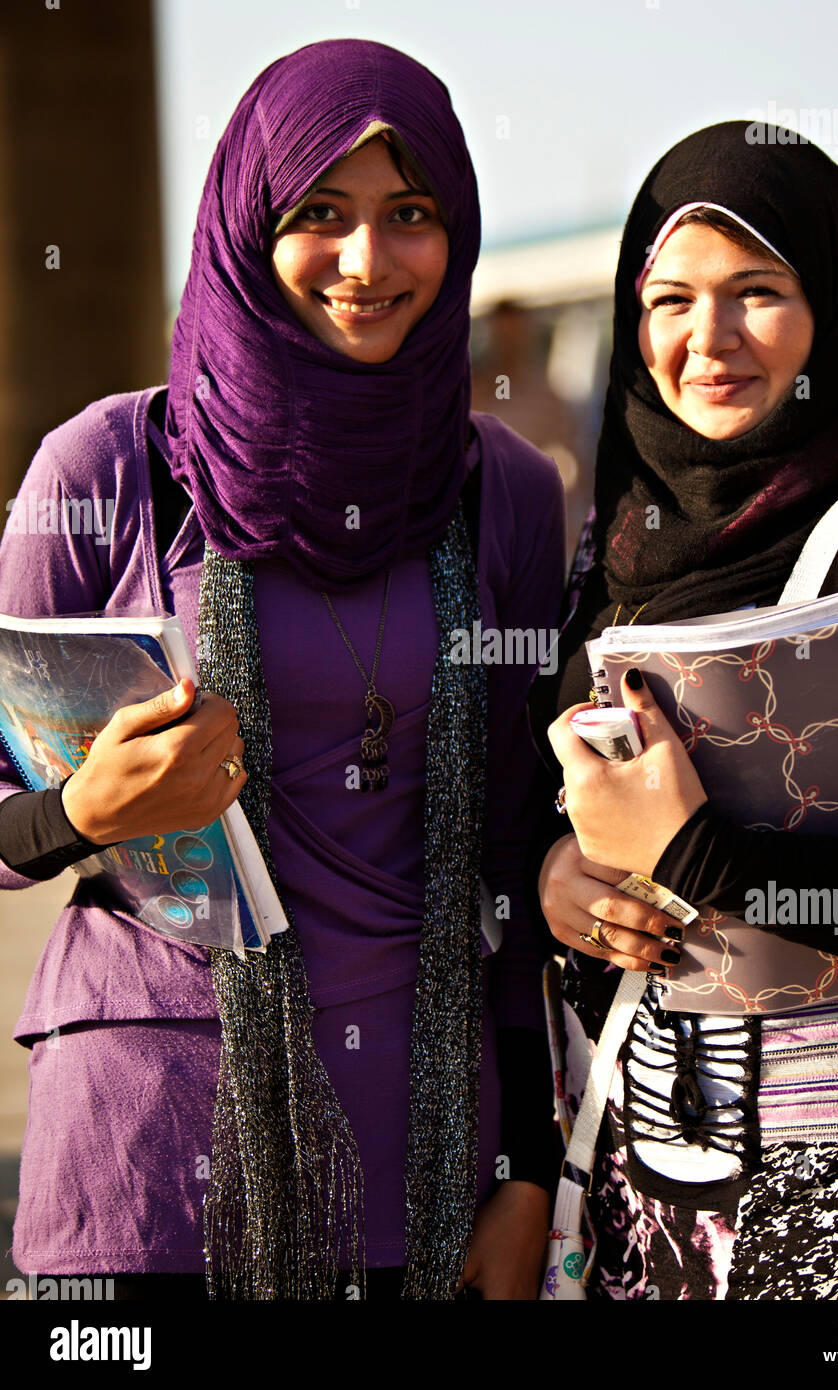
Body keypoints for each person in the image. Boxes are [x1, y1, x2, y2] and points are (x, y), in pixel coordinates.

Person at [0, 39, 565, 1300]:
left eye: (409, 215)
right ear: (249, 226)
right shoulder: (108, 472)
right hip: (149, 1166)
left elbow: (518, 858)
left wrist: (531, 1167)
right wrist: (81, 812)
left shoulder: (510, 496)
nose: (367, 263)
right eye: (321, 214)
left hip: (428, 1164)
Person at [534, 121, 838, 1300]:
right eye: (672, 299)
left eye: (758, 292)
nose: (708, 340)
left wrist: (705, 857)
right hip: (656, 1181)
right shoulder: (624, 549)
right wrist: (559, 878)